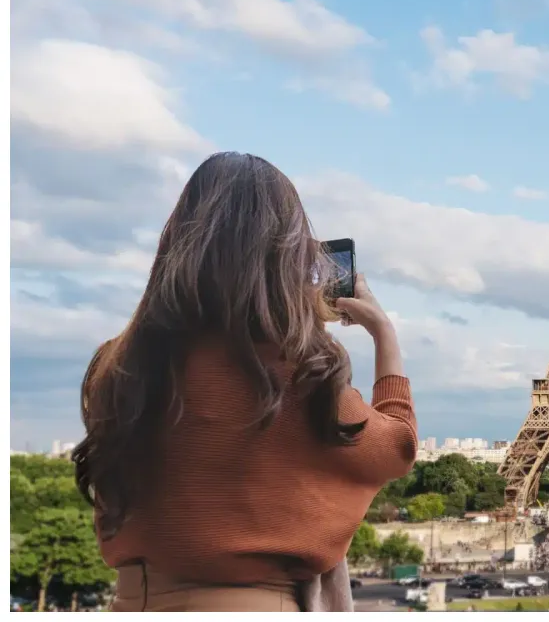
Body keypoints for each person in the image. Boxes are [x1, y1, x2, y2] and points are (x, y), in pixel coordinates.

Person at [71, 152, 418, 611]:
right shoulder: (301, 372)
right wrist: (383, 334)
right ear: (287, 257)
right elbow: (397, 448)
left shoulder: (114, 366)